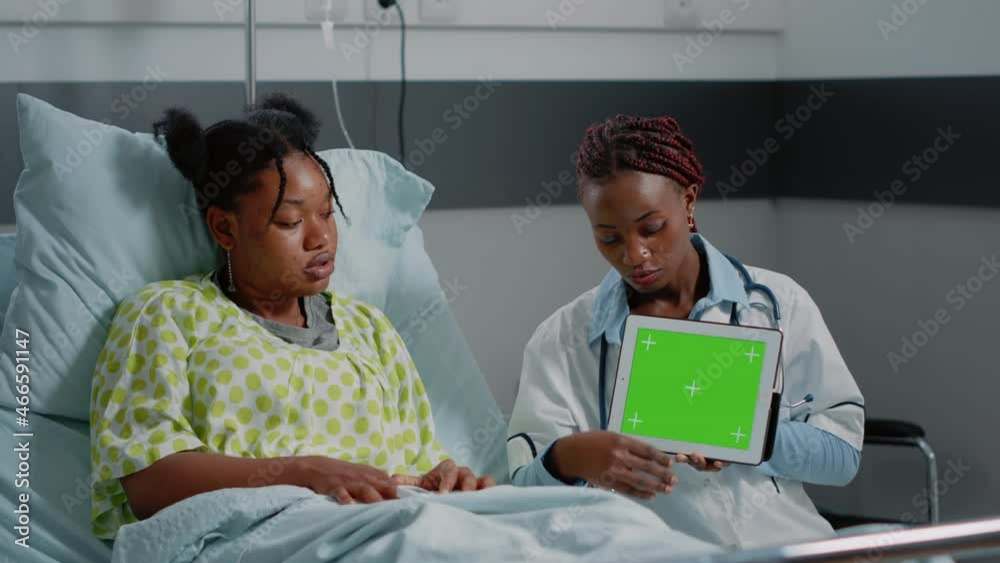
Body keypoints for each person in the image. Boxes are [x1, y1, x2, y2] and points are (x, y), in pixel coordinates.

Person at [88, 94, 493, 540]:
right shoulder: (166, 315)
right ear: (225, 229)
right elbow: (147, 480)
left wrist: (448, 480)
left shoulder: (371, 329)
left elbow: (413, 466)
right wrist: (303, 473)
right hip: (260, 541)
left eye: (326, 213)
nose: (321, 237)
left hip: (394, 528)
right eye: (290, 222)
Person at [507, 114, 865, 549]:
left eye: (651, 228)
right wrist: (573, 457)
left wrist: (752, 436)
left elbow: (842, 458)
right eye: (608, 238)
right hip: (650, 552)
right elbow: (520, 493)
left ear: (690, 202)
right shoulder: (562, 340)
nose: (635, 254)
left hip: (784, 545)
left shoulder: (777, 304)